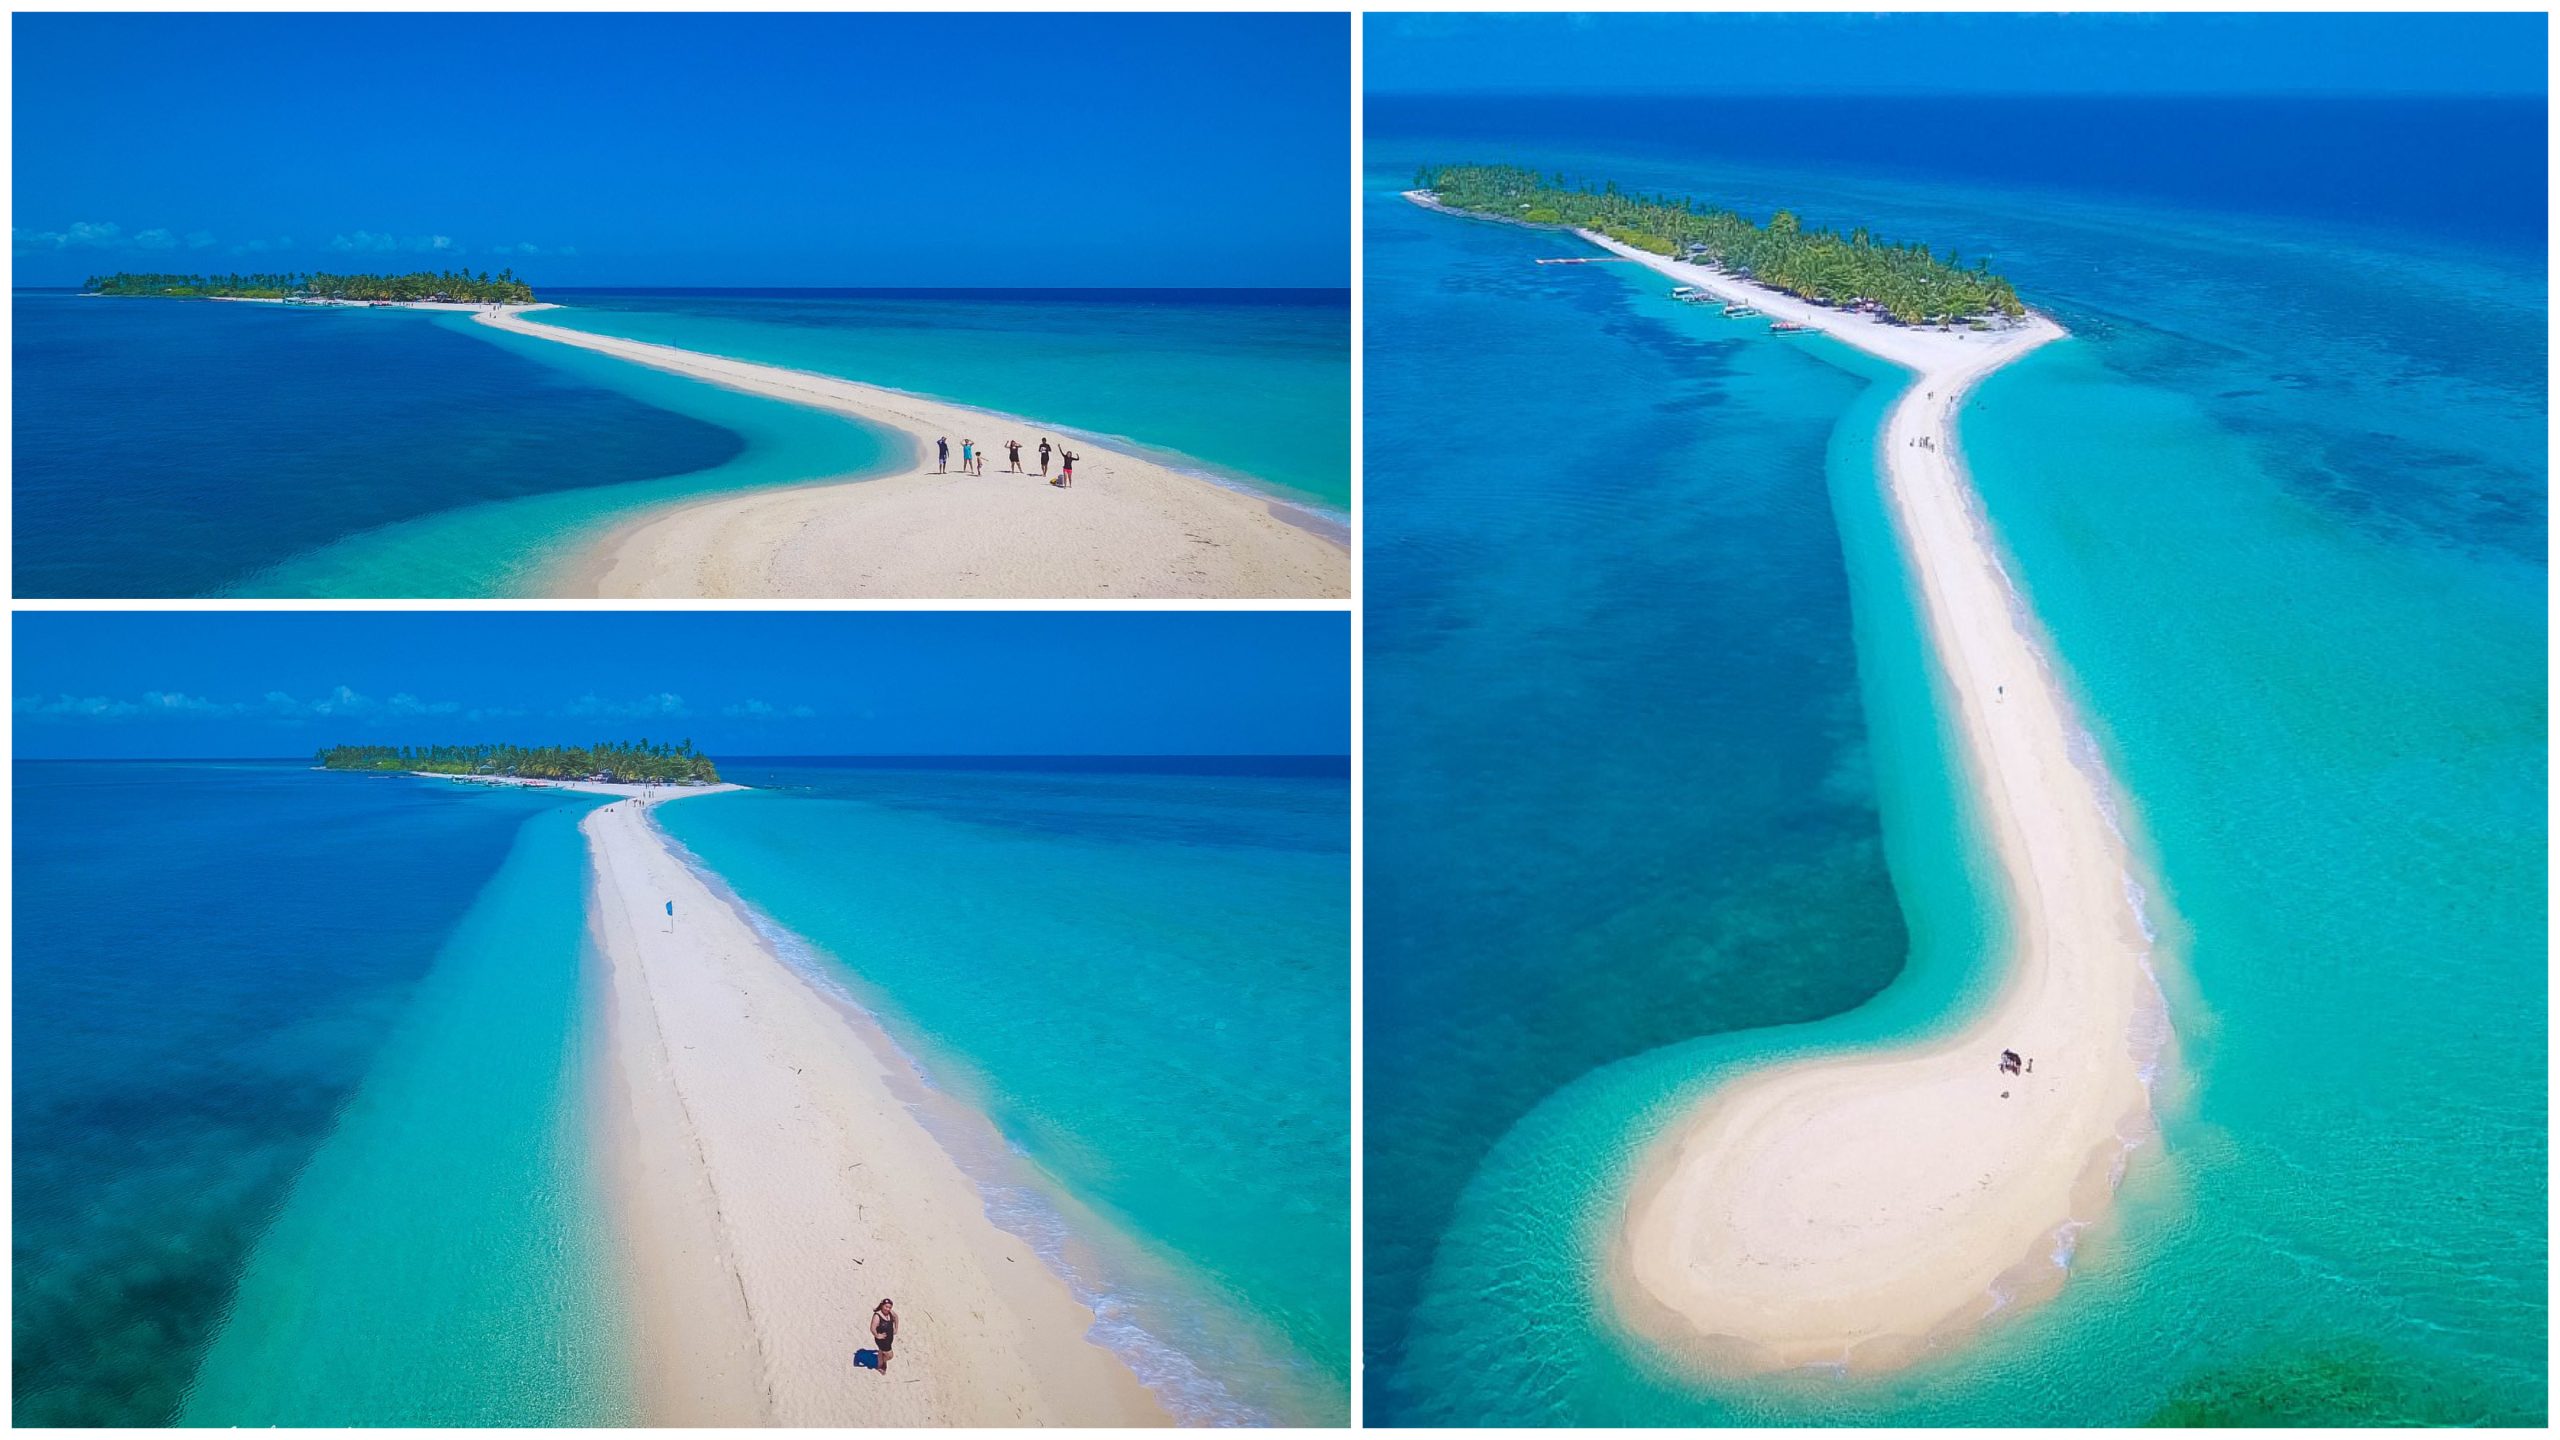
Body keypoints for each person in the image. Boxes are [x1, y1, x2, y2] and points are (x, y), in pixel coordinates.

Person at [870, 1299, 897, 1376]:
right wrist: (877, 1335)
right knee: (890, 1356)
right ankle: (883, 1362)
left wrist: (896, 1328)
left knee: (881, 1351)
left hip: (889, 1338)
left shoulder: (890, 1313)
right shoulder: (877, 1316)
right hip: (882, 1340)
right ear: (882, 1306)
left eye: (889, 1307)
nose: (888, 1309)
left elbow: (896, 1317)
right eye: (886, 1307)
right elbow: (872, 1328)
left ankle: (879, 1365)